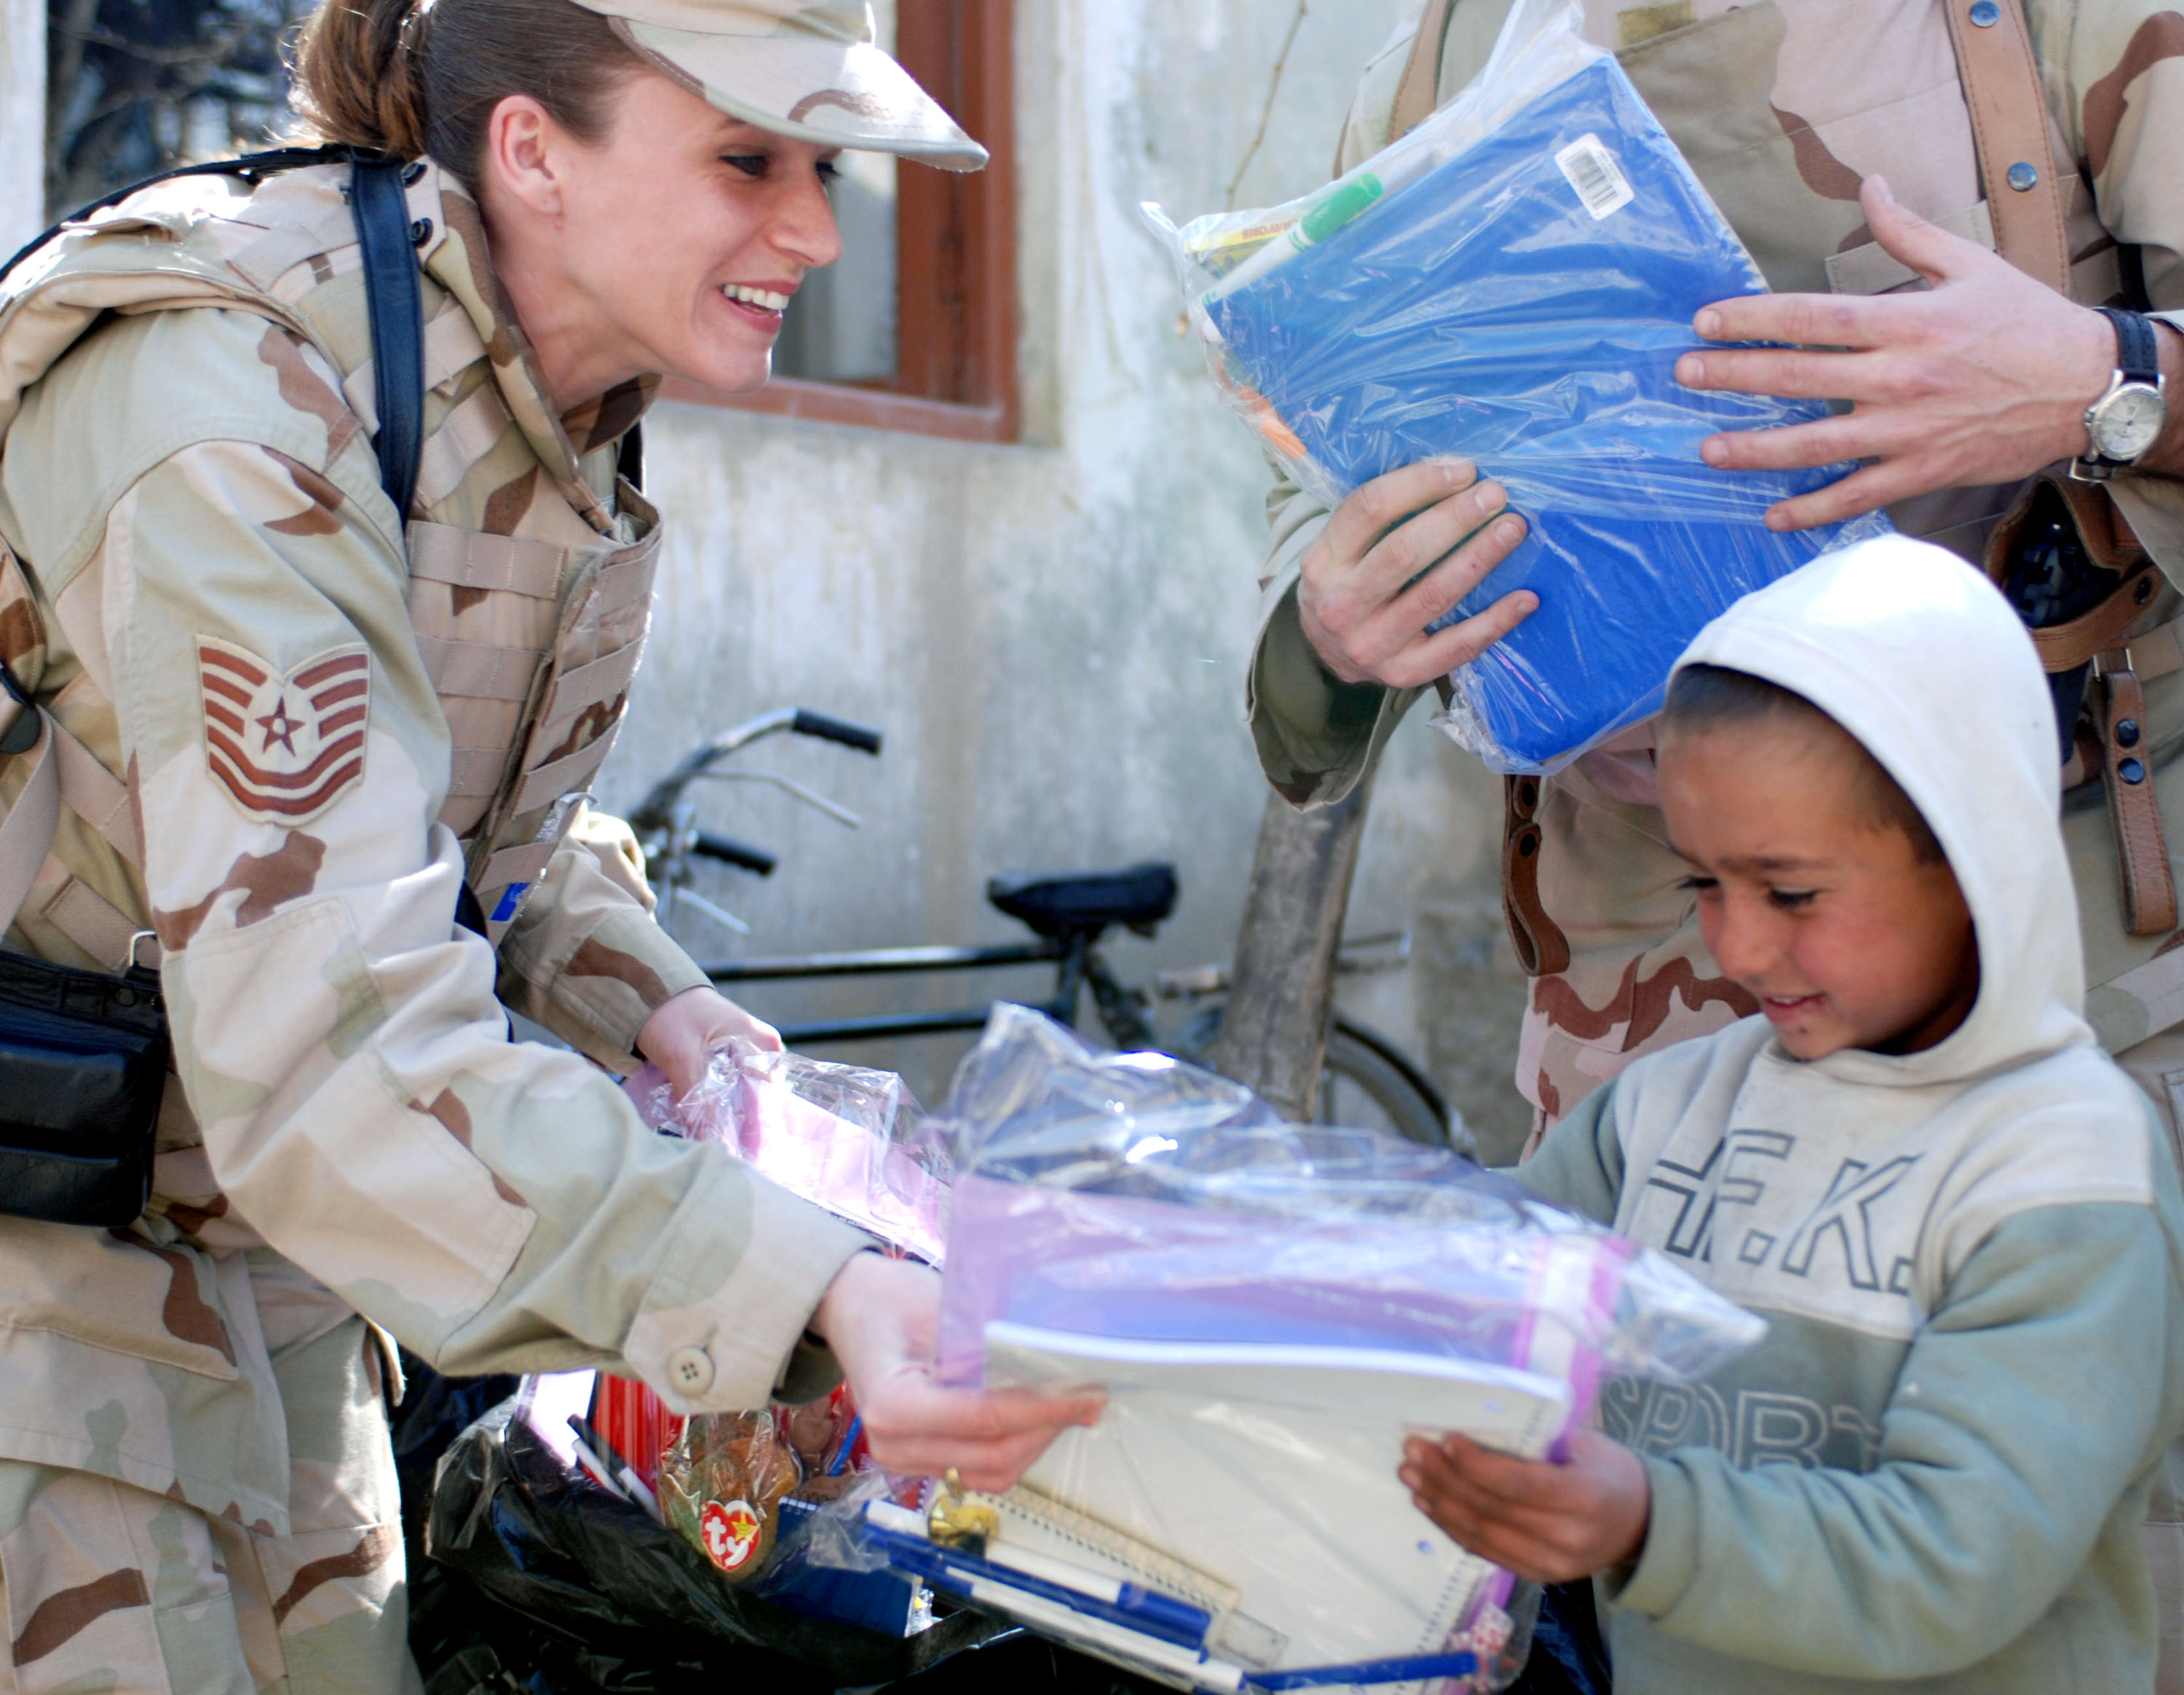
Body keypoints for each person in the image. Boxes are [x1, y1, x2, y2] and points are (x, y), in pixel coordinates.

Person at [0, 1, 1096, 1687]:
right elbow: (337, 1055)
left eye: (823, 168)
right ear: (531, 153)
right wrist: (814, 1293)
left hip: (260, 1270)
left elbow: (433, 815)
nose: (816, 231)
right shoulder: (231, 404)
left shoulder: (501, 387)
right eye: (747, 160)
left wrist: (651, 1003)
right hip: (50, 1295)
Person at [1249, 0, 2184, 1143]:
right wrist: (1335, 630)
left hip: (2067, 976)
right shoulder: (1441, 69)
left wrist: (2108, 383)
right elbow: (1320, 507)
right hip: (1652, 1031)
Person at [1401, 532, 2184, 1691]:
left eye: (1792, 891)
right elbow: (1479, 1272)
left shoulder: (2068, 1172)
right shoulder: (1670, 1110)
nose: (1737, 947)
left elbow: (1955, 1564)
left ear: (1979, 858)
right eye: (1704, 883)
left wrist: (1652, 1526)